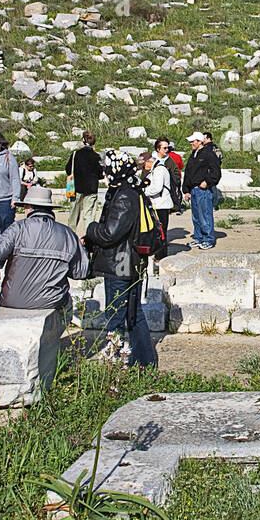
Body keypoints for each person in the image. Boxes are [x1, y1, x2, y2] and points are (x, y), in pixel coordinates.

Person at [82, 151, 155, 367]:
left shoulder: (124, 195)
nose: (104, 174)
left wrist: (92, 229)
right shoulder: (130, 191)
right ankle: (144, 363)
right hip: (130, 263)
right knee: (134, 314)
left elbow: (110, 233)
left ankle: (114, 363)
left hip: (120, 264)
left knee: (116, 315)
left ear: (116, 170)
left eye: (106, 169)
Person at [0, 186, 89, 310]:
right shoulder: (67, 234)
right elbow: (81, 272)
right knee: (67, 300)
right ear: (50, 209)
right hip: (51, 302)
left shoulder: (17, 229)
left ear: (29, 207)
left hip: (12, 300)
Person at [182, 130, 221, 250]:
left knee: (205, 215)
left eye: (193, 141)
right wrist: (186, 189)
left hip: (202, 190)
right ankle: (198, 238)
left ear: (199, 142)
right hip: (194, 190)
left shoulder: (208, 154)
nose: (191, 144)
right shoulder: (194, 154)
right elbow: (188, 172)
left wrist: (207, 182)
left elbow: (216, 171)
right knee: (196, 216)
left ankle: (208, 239)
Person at [65, 130, 102, 234]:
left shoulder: (75, 154)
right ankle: (88, 237)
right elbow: (100, 174)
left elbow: (68, 170)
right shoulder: (96, 156)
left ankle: (71, 234)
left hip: (76, 187)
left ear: (83, 141)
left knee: (74, 213)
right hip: (91, 188)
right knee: (89, 214)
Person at [145, 142, 178, 254]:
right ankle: (159, 253)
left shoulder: (159, 170)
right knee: (158, 231)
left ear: (150, 161)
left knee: (161, 231)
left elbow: (157, 188)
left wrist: (144, 192)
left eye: (146, 163)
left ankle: (161, 255)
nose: (145, 167)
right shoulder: (155, 170)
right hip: (158, 203)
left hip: (161, 204)